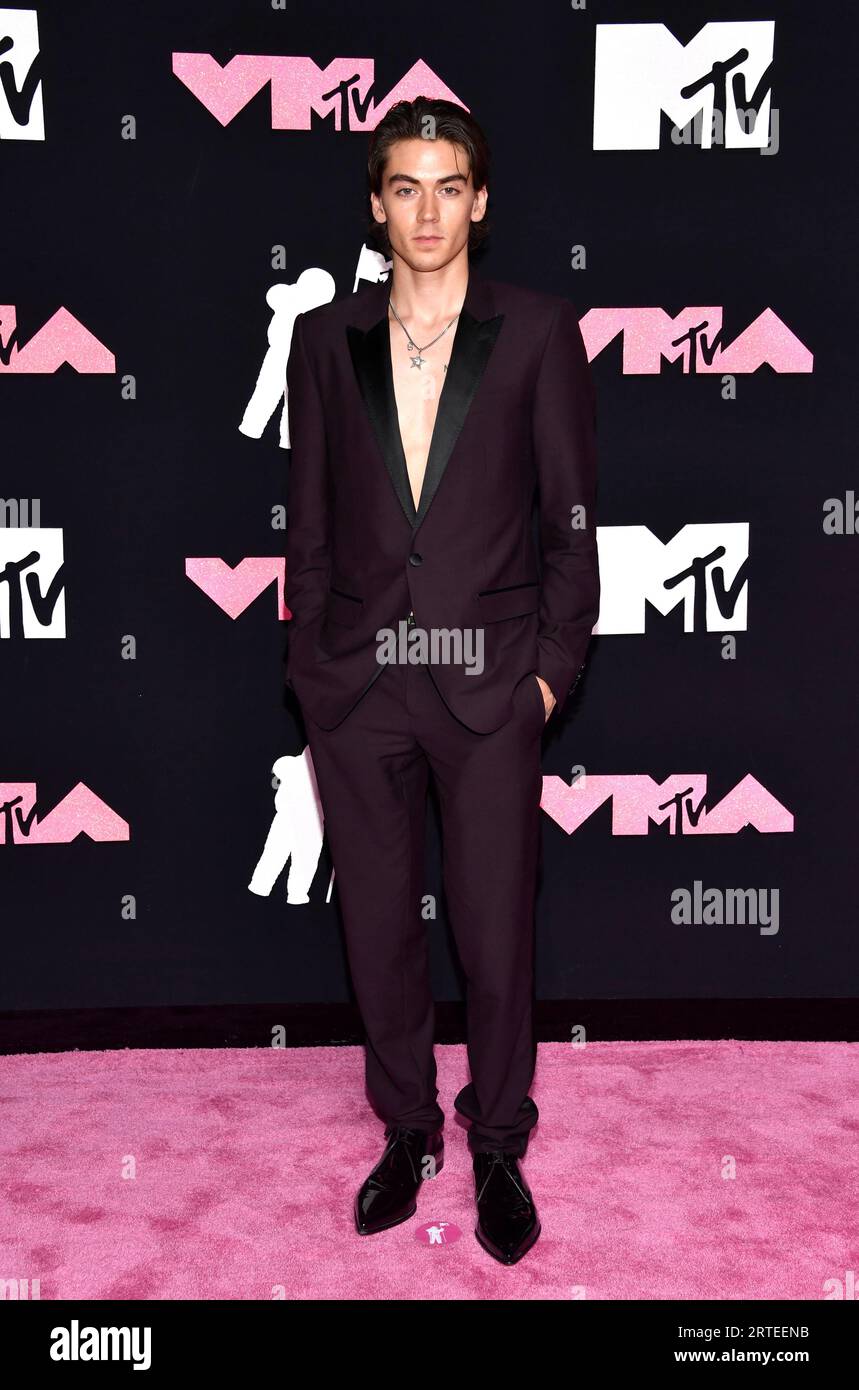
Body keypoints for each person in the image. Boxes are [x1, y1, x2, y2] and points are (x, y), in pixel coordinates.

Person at [284, 96, 599, 1265]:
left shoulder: (535, 330)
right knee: (376, 927)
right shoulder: (326, 339)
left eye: (447, 186)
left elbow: (572, 525)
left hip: (488, 682)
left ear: (480, 200)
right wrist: (311, 665)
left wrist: (547, 681)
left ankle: (498, 1143)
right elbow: (308, 524)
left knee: (495, 934)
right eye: (403, 187)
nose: (426, 209)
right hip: (359, 686)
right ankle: (408, 1129)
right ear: (376, 205)